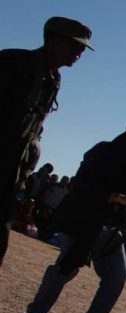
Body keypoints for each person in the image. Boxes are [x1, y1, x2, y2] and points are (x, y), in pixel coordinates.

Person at [0, 120, 126, 313]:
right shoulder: (103, 152)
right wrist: (117, 198)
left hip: (109, 229)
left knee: (117, 277)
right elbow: (82, 186)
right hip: (81, 221)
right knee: (66, 269)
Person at [1, 17, 92, 267]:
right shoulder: (13, 63)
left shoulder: (53, 79)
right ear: (52, 40)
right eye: (75, 45)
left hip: (11, 173)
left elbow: (33, 128)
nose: (79, 52)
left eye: (82, 48)